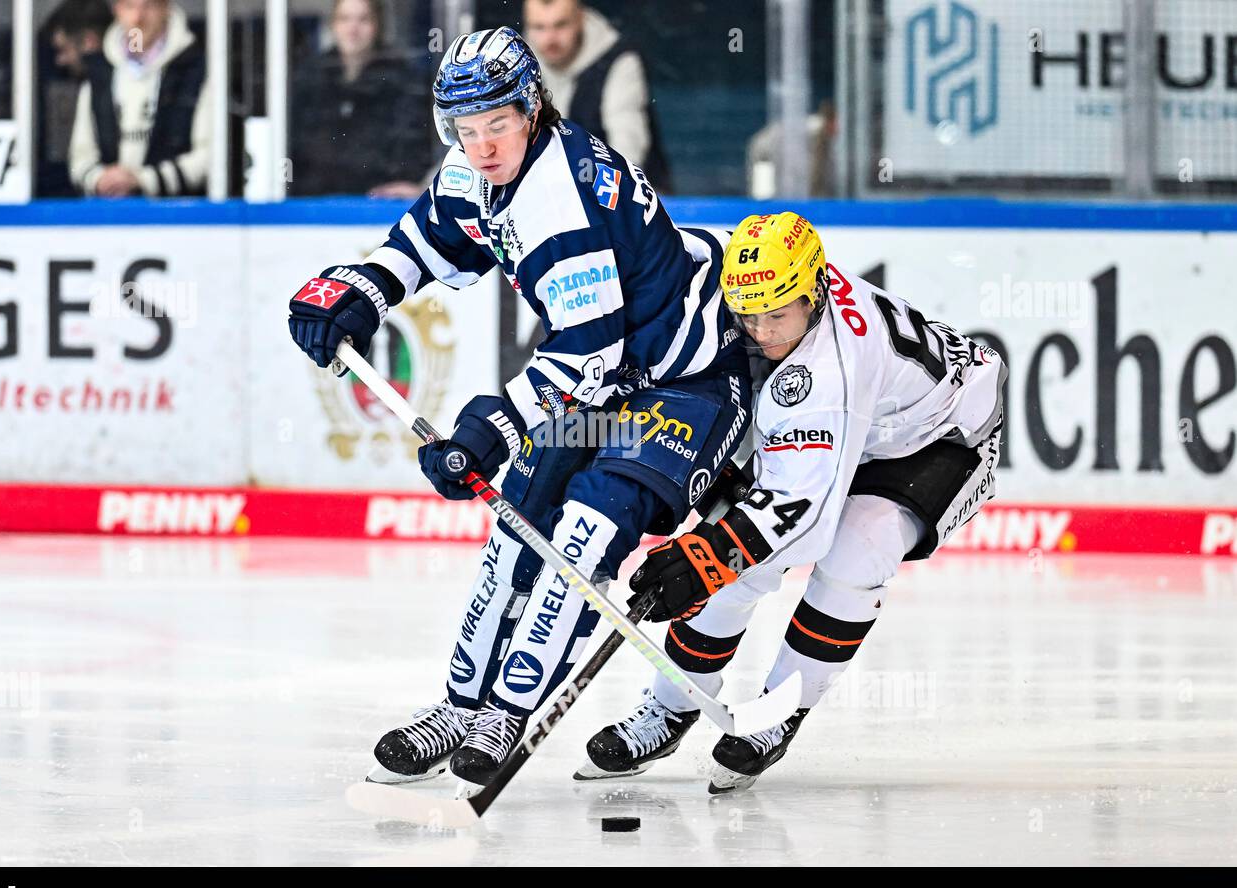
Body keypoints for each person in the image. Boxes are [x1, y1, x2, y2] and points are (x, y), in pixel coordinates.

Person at [285, 27, 751, 789]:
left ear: (531, 109)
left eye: (496, 125)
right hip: (611, 380)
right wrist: (360, 292)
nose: (481, 147)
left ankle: (508, 711)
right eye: (465, 131)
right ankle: (461, 706)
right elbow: (430, 236)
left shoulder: (559, 197)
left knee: (585, 530)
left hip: (686, 383)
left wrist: (490, 426)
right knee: (519, 522)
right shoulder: (477, 166)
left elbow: (590, 351)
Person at [576, 212, 1007, 793]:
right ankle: (670, 707)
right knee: (733, 559)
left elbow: (806, 524)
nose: (761, 331)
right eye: (747, 313)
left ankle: (778, 713)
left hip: (941, 436)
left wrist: (706, 555)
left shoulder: (830, 373)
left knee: (853, 558)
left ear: (815, 292)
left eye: (777, 314)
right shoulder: (756, 273)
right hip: (864, 422)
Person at [288, 0, 435, 198]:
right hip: (316, 203)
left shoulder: (403, 79)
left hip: (379, 203)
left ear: (378, 25)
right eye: (345, 19)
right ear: (333, 24)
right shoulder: (310, 77)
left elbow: (415, 144)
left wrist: (413, 185)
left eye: (363, 19)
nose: (353, 29)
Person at [523, 0, 671, 191]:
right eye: (539, 27)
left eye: (560, 25)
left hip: (632, 202)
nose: (550, 38)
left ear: (580, 19)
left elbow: (628, 151)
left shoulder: (619, 61)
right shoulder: (518, 64)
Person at [69, 0, 210, 197]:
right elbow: (80, 157)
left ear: (165, 8)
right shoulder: (99, 75)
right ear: (117, 10)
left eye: (148, 6)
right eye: (129, 6)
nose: (138, 18)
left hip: (179, 217)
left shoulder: (198, 70)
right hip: (109, 217)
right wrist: (101, 179)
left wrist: (142, 181)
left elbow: (211, 156)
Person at [39, 0, 113, 196]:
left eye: (63, 50)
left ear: (89, 42)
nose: (59, 61)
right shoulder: (70, 86)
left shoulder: (115, 90)